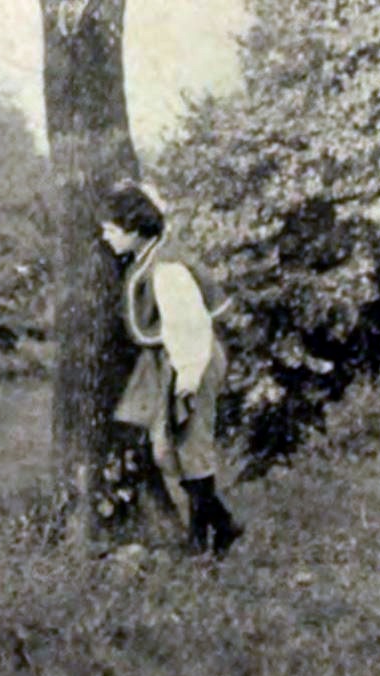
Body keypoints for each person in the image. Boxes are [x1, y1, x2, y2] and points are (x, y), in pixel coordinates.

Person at [100, 180, 245, 556]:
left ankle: (203, 540)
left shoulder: (167, 270)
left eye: (112, 230)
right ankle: (223, 524)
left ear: (133, 230)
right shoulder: (149, 256)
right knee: (169, 449)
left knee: (190, 444)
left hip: (191, 358)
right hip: (173, 358)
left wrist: (188, 380)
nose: (105, 236)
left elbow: (190, 328)